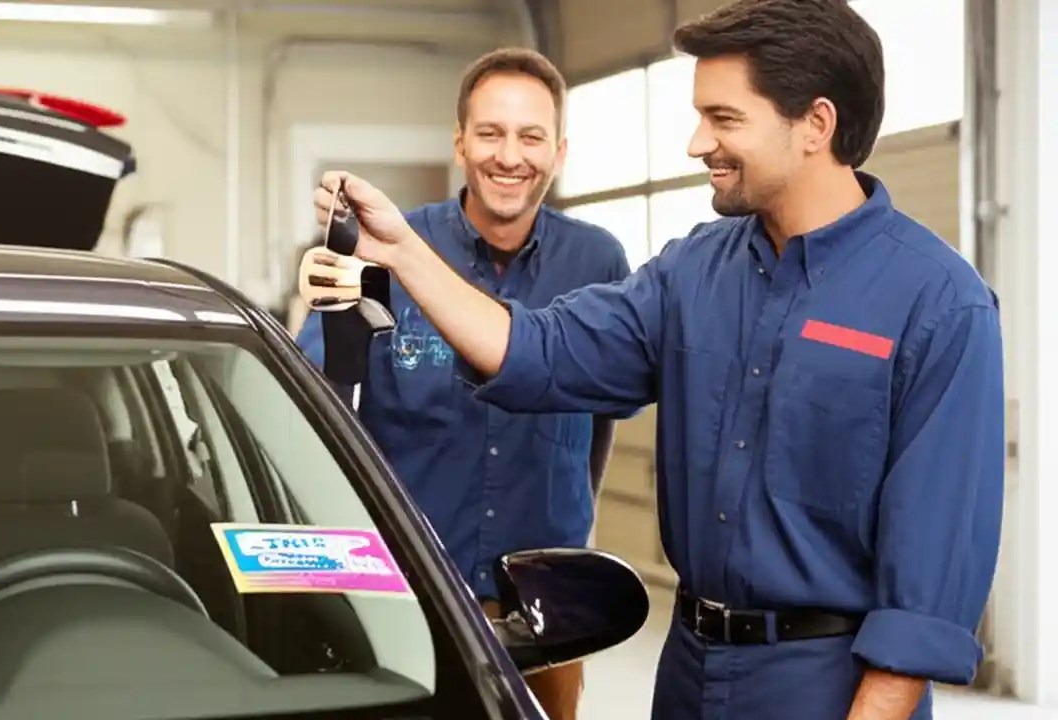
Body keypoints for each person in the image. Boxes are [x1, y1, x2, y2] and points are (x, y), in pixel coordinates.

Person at [298, 2, 1006, 719]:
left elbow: (928, 583)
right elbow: (541, 350)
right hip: (689, 669)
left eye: (724, 118)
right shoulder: (693, 269)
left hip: (824, 681)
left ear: (815, 125)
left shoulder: (939, 303)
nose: (699, 143)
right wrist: (403, 250)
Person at [295, 47, 630, 720]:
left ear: (558, 152)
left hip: (550, 602)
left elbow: (602, 418)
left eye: (531, 136)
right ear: (460, 144)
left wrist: (573, 524)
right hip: (417, 587)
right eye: (490, 133)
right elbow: (320, 405)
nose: (510, 155)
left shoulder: (599, 260)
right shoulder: (387, 249)